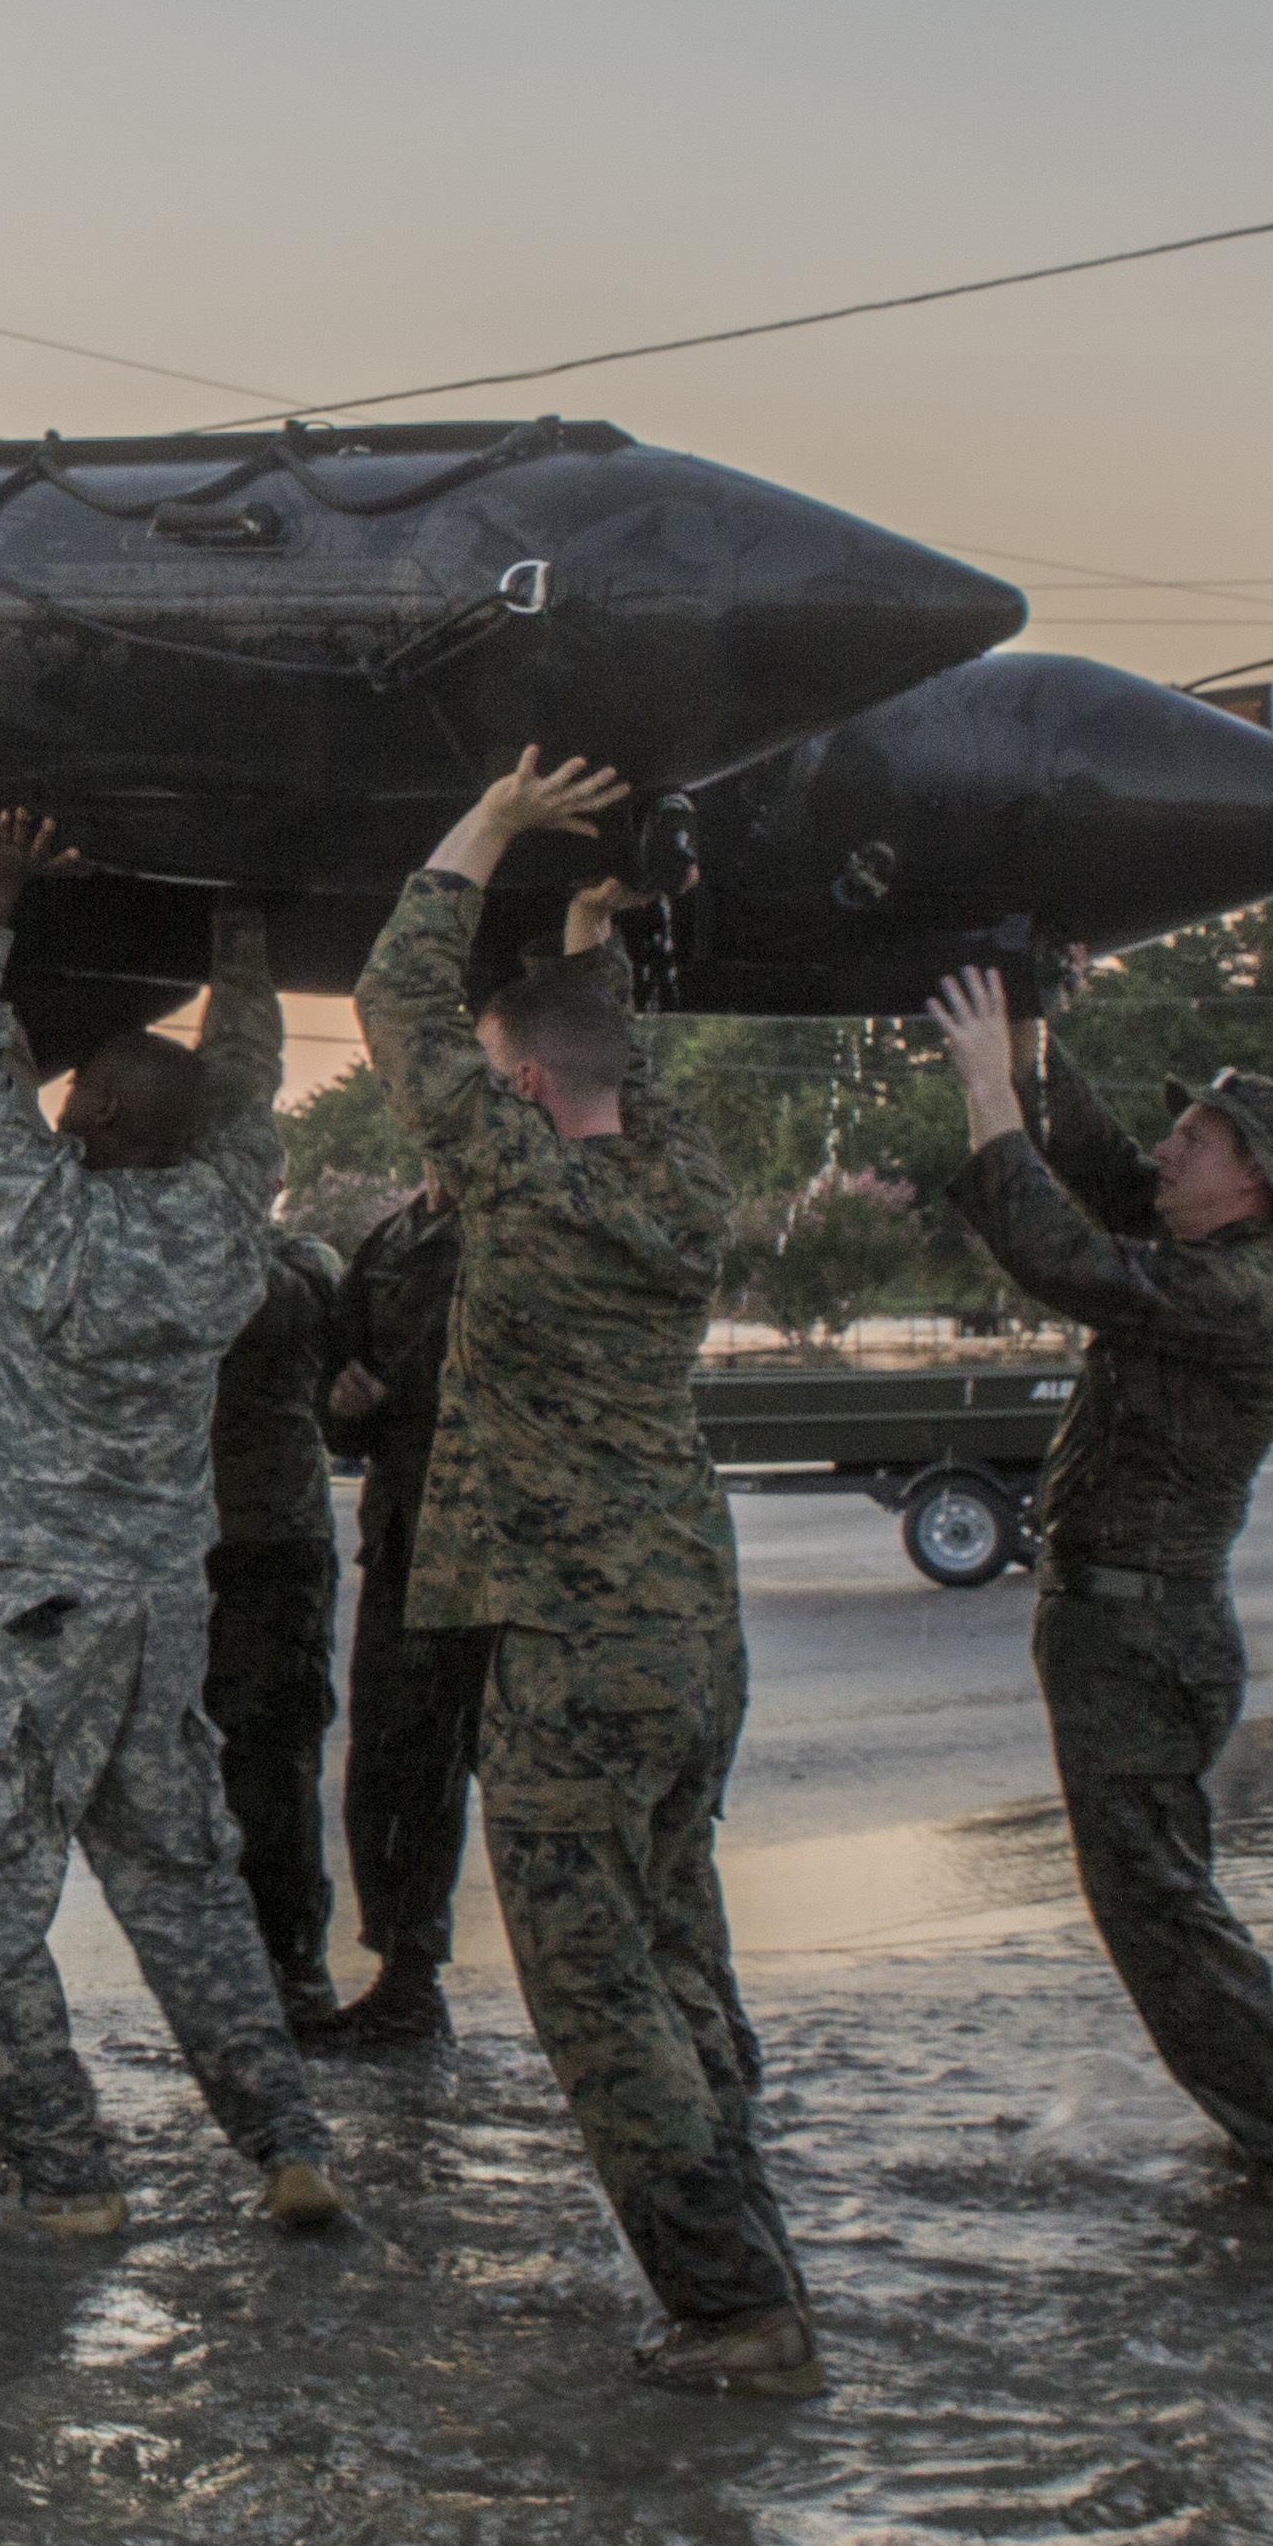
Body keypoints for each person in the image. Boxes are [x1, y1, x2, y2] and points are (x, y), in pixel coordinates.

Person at [358, 751, 810, 2390]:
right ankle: (753, 2239)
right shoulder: (679, 1185)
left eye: (502, 1076)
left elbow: (399, 1004)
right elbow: (595, 1058)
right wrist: (590, 943)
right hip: (690, 1634)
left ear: (527, 1100)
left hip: (570, 1641)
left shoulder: (528, 1195)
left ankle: (732, 2309)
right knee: (678, 1941)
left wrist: (484, 824)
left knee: (592, 1980)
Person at [0, 812, 347, 2240]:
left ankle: (65, 2178)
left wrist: (4, 881)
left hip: (33, 1607)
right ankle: (287, 2145)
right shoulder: (227, 1224)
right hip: (161, 1609)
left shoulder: (51, 1219)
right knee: (187, 1885)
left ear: (85, 1121)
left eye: (74, 1091)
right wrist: (245, 930)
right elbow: (249, 1075)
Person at [930, 967, 1273, 2208]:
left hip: (1145, 1641)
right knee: (1160, 1910)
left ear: (1250, 1183)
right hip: (1126, 1634)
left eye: (1194, 1139)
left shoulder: (1229, 1291)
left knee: (1163, 1919)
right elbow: (1104, 1169)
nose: (1168, 1148)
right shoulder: (1208, 1251)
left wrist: (986, 1090)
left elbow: (1055, 1250)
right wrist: (1026, 1029)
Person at [310, 1174, 474, 2047]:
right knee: (396, 1765)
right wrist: (347, 1410)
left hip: (513, 1540)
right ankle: (407, 1976)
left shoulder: (528, 1224)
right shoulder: (394, 1239)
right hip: (410, 1540)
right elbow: (342, 1377)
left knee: (557, 1787)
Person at [204, 1222, 351, 2032]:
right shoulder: (300, 1264)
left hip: (263, 1542)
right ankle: (269, 1965)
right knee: (242, 1769)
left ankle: (290, 1964)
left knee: (267, 1764)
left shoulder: (292, 1271)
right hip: (210, 1539)